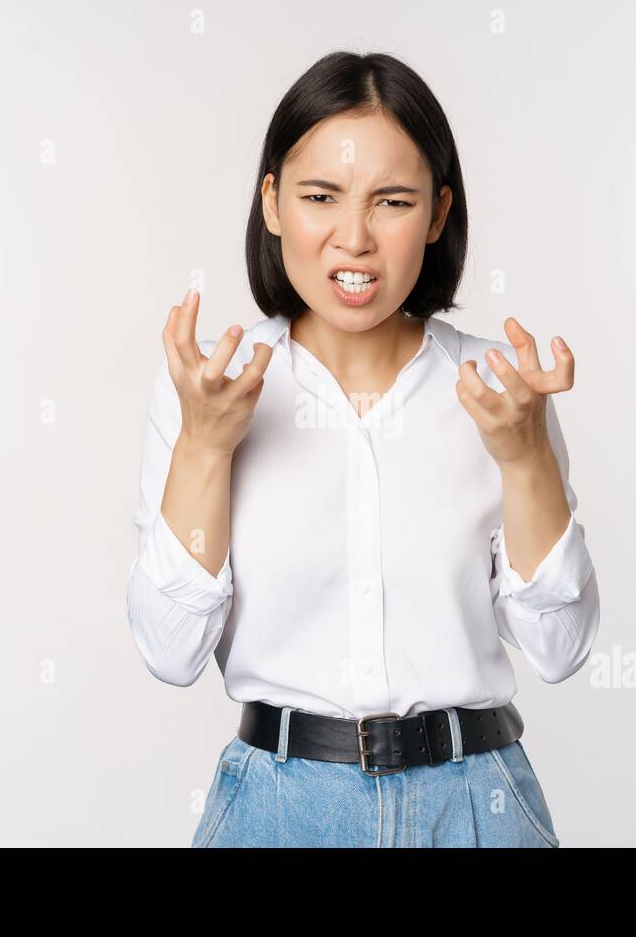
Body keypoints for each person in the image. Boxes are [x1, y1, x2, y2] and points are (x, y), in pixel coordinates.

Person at [126, 51, 600, 847]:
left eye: (393, 201)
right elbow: (171, 654)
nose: (355, 238)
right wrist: (205, 446)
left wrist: (524, 459)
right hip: (278, 810)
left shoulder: (499, 389)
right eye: (320, 197)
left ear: (439, 214)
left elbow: (560, 649)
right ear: (272, 202)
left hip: (475, 806)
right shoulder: (208, 388)